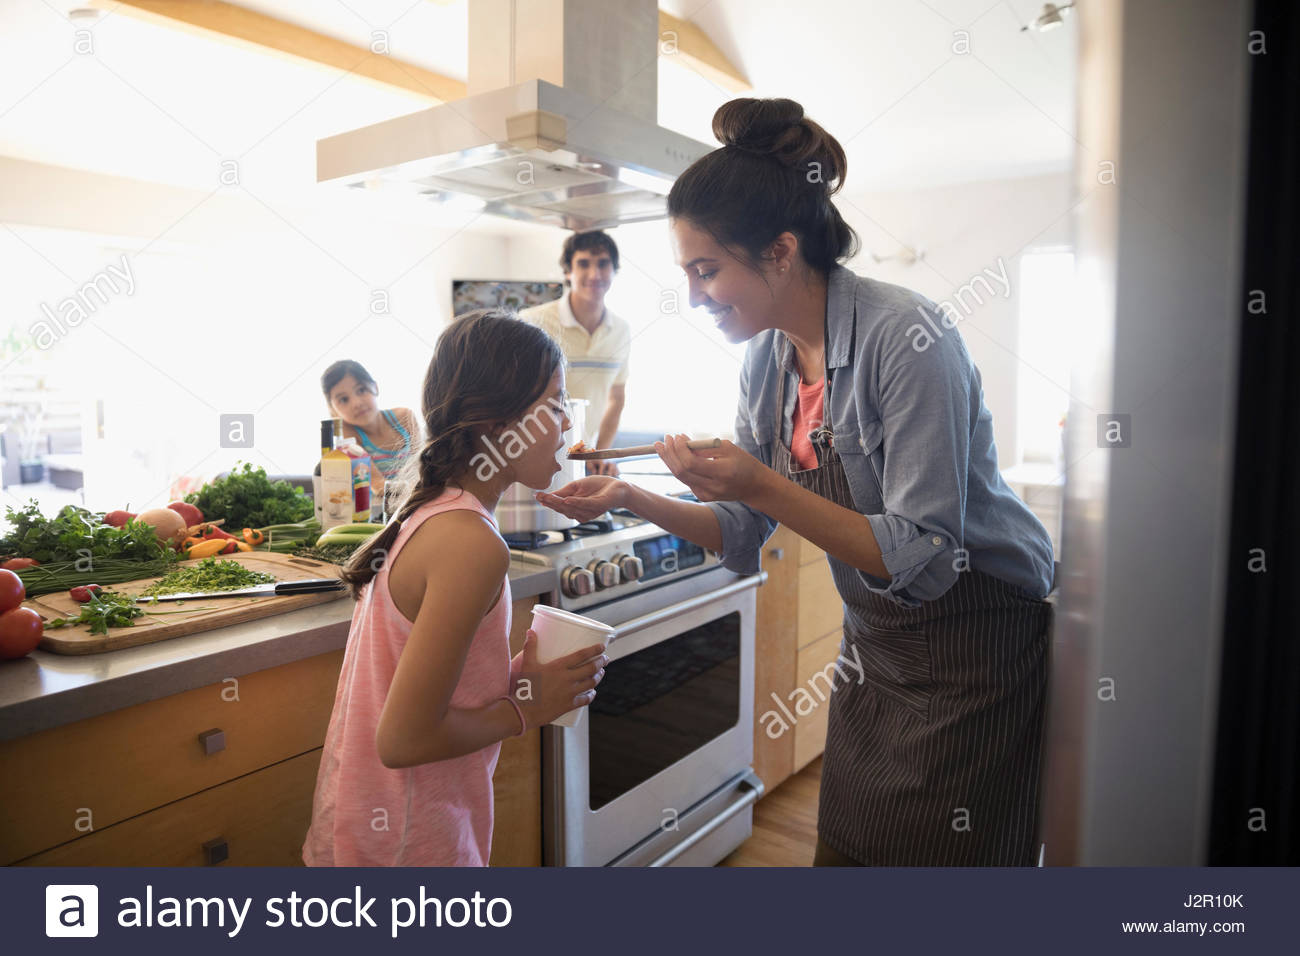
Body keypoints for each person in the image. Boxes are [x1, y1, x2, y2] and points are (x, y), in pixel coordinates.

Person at [539, 98, 1058, 867]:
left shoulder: (907, 340)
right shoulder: (765, 360)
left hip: (974, 651)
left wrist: (760, 482)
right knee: (847, 851)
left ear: (781, 252)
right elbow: (745, 531)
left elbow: (924, 554)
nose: (694, 296)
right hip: (876, 652)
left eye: (706, 270)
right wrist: (632, 497)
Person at [302, 311, 608, 867]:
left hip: (375, 833)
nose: (567, 424)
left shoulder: (439, 514)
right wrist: (524, 710)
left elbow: (431, 692)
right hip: (410, 846)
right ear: (496, 422)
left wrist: (521, 680)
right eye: (555, 403)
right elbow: (404, 740)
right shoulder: (471, 543)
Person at [518, 230, 631, 476]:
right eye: (583, 264)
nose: (595, 274)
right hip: (534, 458)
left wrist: (600, 453)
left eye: (603, 264)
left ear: (614, 270)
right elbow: (515, 399)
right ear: (568, 272)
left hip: (583, 460)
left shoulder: (622, 330)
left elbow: (617, 397)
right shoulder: (532, 322)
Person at [321, 360, 419, 507]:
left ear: (375, 387)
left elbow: (421, 467)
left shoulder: (405, 417)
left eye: (361, 390)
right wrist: (420, 487)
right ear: (333, 409)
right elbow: (379, 486)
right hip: (379, 512)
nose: (356, 403)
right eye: (344, 399)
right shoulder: (348, 436)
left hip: (413, 503)